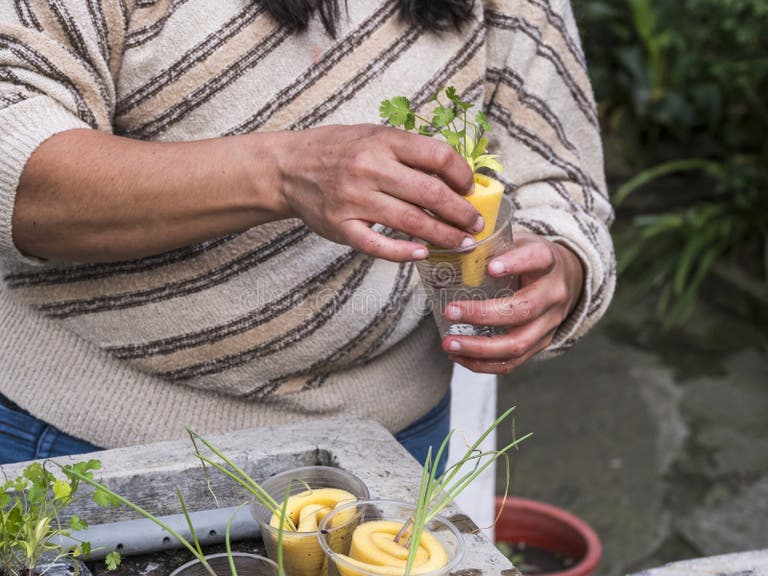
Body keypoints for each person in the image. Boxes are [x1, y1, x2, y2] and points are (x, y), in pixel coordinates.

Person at [0, 0, 615, 466]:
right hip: (88, 436)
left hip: (391, 445)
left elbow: (558, 180)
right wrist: (283, 173)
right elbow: (18, 172)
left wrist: (559, 269)